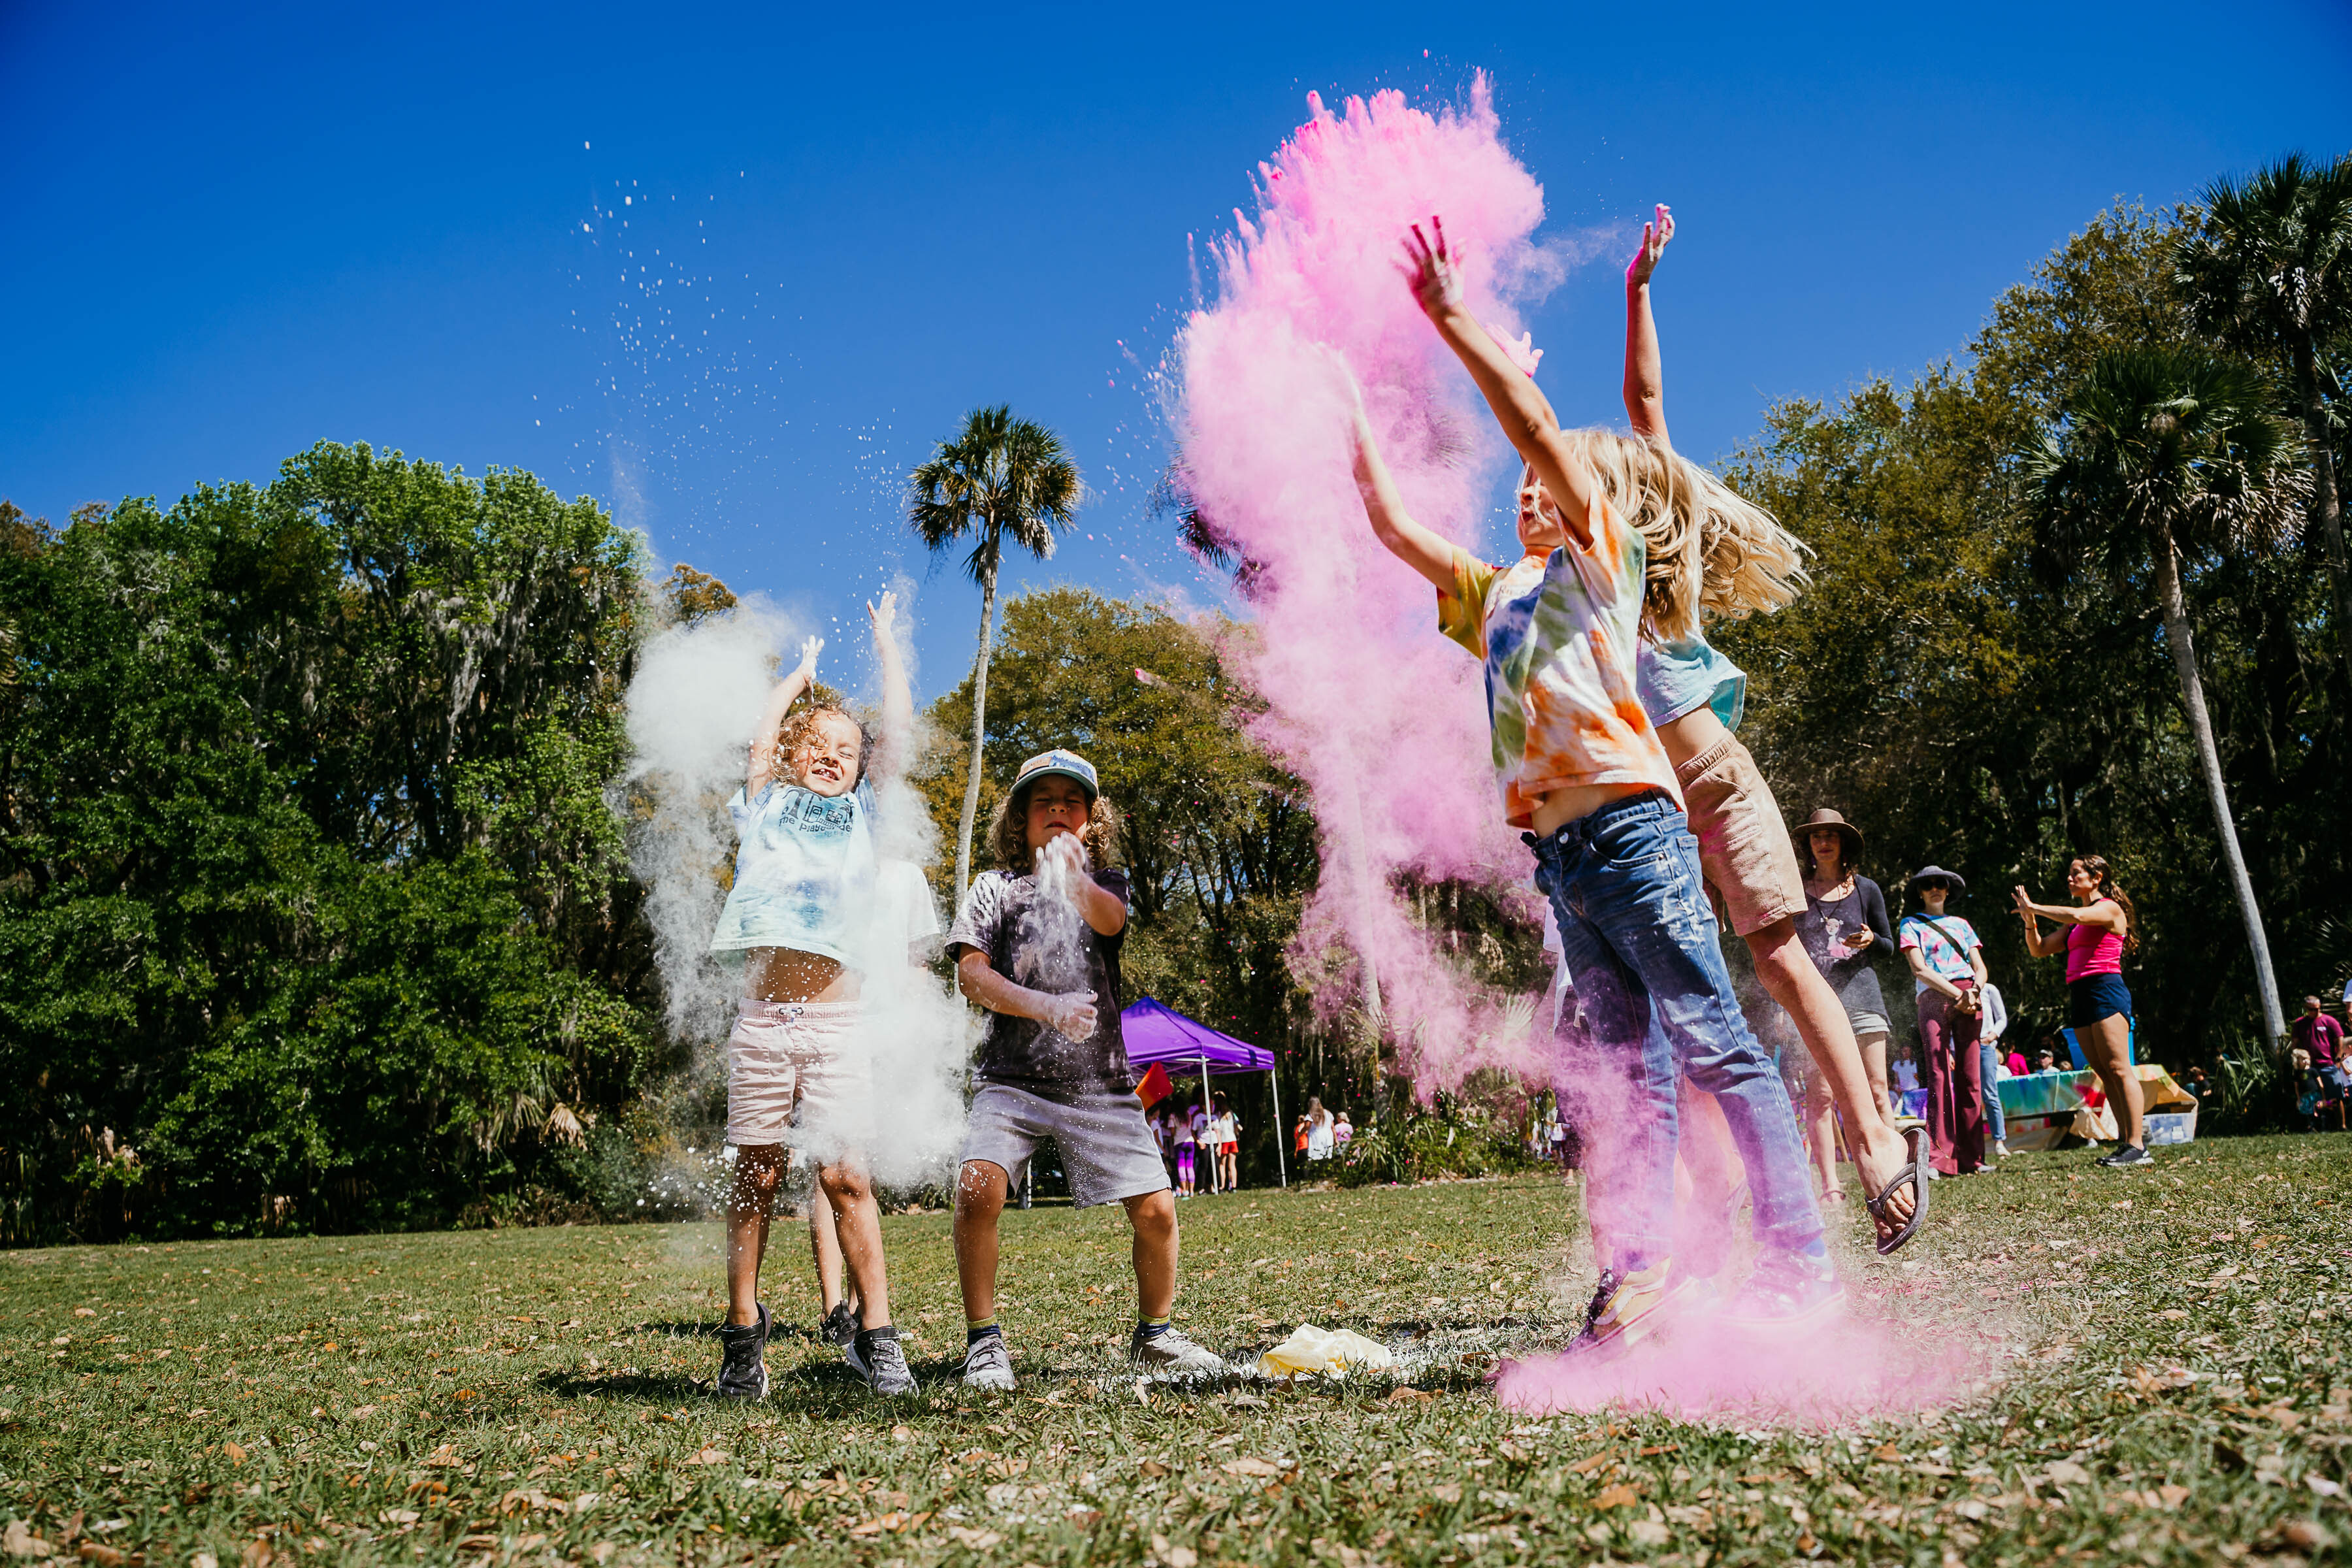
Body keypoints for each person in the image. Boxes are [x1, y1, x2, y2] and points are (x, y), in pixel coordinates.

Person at [1337, 211, 1839, 1350]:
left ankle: (1801, 1265)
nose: (1528, 490)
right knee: (1632, 1078)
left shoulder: (1600, 557)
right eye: (1515, 487)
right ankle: (1642, 1281)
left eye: (1542, 481)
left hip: (1635, 836)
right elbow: (1389, 522)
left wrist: (1453, 318)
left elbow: (1538, 421)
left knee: (1715, 1043)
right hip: (1563, 863)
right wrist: (1349, 408)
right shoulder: (1490, 594)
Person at [1611, 210, 1923, 1252]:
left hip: (1716, 781)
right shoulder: (1572, 590)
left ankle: (1879, 1137)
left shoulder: (1661, 573)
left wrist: (1638, 295)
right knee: (1667, 1002)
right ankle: (1704, 1206)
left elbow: (1647, 409)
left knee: (1784, 961)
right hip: (1642, 813)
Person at [947, 747, 1226, 1388]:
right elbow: (970, 974)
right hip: (1011, 1080)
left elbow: (1111, 918)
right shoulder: (993, 888)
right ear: (1019, 819)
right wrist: (1046, 1006)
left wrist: (1072, 881)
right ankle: (984, 1343)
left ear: (1089, 820)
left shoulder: (1108, 882)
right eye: (1041, 801)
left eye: (1069, 802)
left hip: (1099, 1082)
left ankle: (1155, 1336)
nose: (1055, 810)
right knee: (978, 1187)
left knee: (1156, 1210)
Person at [710, 596, 919, 1401]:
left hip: (838, 1023)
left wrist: (884, 644)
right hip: (763, 1024)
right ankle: (742, 1336)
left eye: (847, 749)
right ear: (795, 756)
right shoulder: (763, 806)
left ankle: (877, 1335)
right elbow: (761, 740)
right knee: (755, 1177)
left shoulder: (864, 814)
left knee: (848, 1179)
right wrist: (795, 678)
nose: (834, 755)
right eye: (819, 745)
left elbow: (897, 732)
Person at [2016, 855, 2147, 1168]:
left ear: (2097, 877)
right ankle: (2124, 1143)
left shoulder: (2108, 909)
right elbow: (2039, 949)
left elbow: (2077, 913)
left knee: (2119, 1067)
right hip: (2081, 993)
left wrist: (2035, 906)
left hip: (2106, 988)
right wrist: (2029, 919)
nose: (2070, 879)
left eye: (2077, 874)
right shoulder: (2075, 924)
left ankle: (2138, 1145)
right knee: (2103, 1071)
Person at [1794, 810, 1899, 1124]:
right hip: (1815, 1004)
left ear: (1844, 843)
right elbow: (1786, 952)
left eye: (1831, 835)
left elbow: (1889, 946)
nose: (1823, 842)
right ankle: (1829, 1177)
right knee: (1821, 1095)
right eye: (1816, 836)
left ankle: (1896, 1173)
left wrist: (1871, 940)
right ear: (1808, 844)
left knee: (1878, 1089)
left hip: (1863, 998)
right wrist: (1781, 1009)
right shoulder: (1794, 891)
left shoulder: (1867, 889)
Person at [1899, 868, 1991, 1178]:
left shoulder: (1961, 925)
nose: (1935, 889)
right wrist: (1957, 995)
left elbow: (1980, 966)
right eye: (1928, 885)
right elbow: (1919, 969)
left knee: (1971, 1076)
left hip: (1970, 993)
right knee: (1938, 1075)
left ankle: (1972, 1159)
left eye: (1941, 884)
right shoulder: (1910, 924)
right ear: (1920, 892)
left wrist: (1974, 991)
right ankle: (1939, 1158)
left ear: (1948, 890)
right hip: (1934, 996)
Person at [2294, 996, 2349, 1130]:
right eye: (2313, 1009)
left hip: (2328, 1065)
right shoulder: (2300, 1024)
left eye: (2318, 1008)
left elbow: (2340, 1040)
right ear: (2306, 1009)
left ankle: (2341, 1125)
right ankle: (2315, 1126)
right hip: (2309, 1067)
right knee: (2312, 1097)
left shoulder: (2329, 1021)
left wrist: (2338, 1059)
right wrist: (2298, 1061)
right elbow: (2295, 1044)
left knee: (2336, 1095)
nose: (2316, 1011)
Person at [1978, 979, 2012, 1158]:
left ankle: (1999, 1141)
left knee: (1990, 1094)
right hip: (1963, 1048)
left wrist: (1991, 1037)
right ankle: (1971, 1143)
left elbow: (2002, 1018)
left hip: (1985, 1047)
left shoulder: (1989, 989)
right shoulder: (1956, 988)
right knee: (1968, 1096)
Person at [1211, 1094, 1241, 1192]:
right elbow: (1237, 1123)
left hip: (1224, 1141)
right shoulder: (1231, 1113)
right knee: (1232, 1165)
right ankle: (1234, 1186)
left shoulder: (1217, 1114)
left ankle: (1222, 1186)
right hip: (1233, 1140)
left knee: (1222, 1165)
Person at [1170, 1107, 1198, 1199]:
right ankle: (1192, 1191)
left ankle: (1185, 1191)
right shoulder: (1188, 1114)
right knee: (1190, 1166)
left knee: (1181, 1167)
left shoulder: (1173, 1116)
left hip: (1179, 1143)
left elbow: (1172, 1132)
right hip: (1190, 1142)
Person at [1305, 1097, 1335, 1161]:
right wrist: (1336, 1139)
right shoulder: (1328, 1113)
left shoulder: (1311, 1114)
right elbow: (1333, 1127)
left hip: (1316, 1137)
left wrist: (1299, 1135)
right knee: (1326, 1157)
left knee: (1315, 1157)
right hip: (1328, 1136)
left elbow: (1307, 1126)